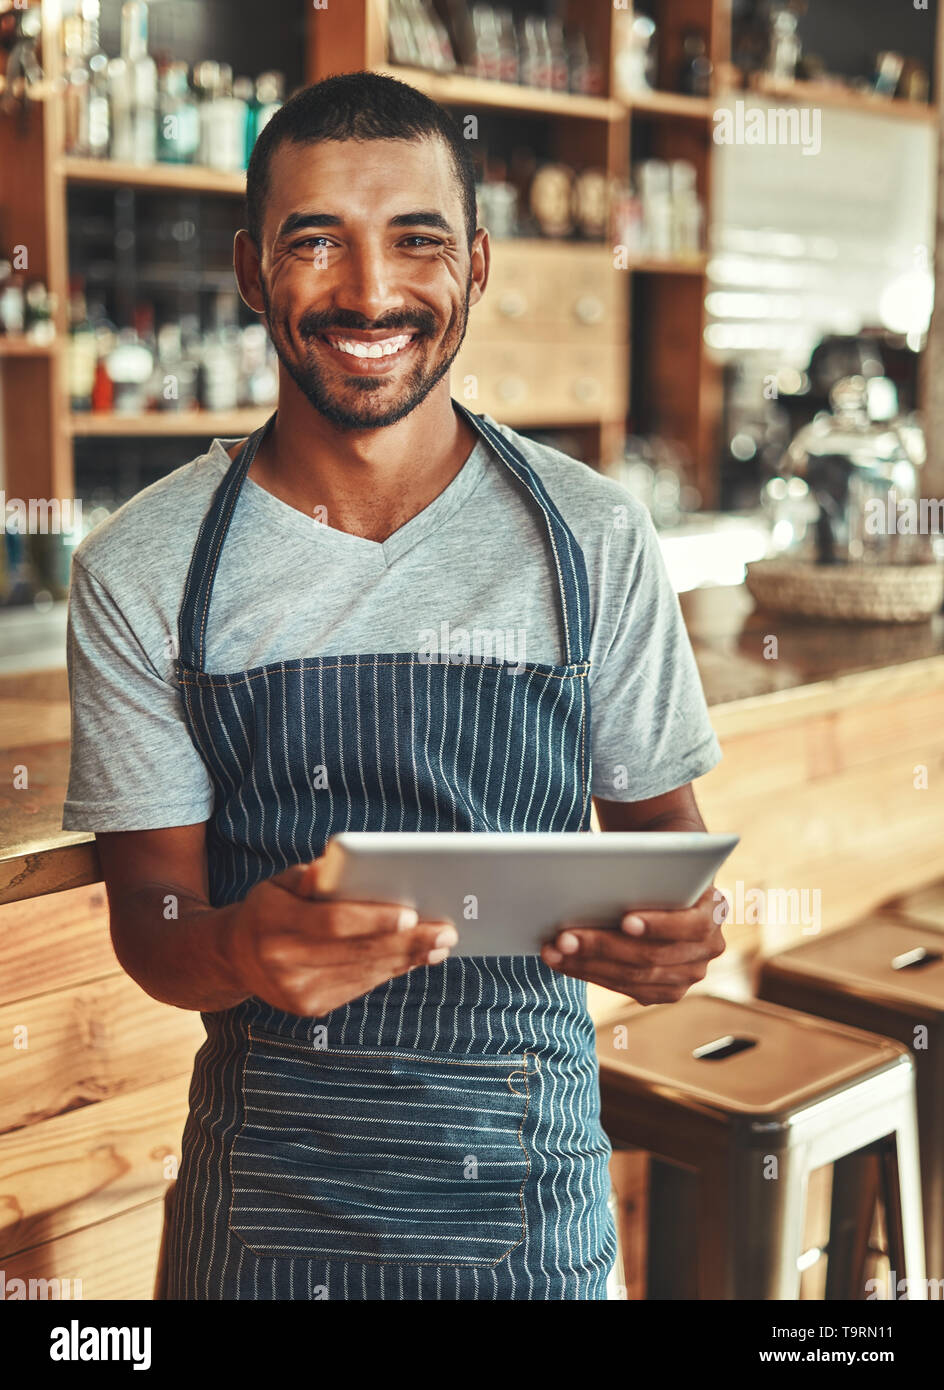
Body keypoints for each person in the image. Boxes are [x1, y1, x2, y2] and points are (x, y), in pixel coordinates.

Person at [63, 70, 728, 1301]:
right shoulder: (140, 567)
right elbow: (150, 927)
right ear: (253, 272)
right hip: (260, 1211)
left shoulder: (592, 537)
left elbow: (669, 862)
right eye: (315, 242)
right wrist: (239, 949)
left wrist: (680, 942)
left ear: (474, 265)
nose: (369, 293)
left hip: (533, 1198)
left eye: (414, 242)